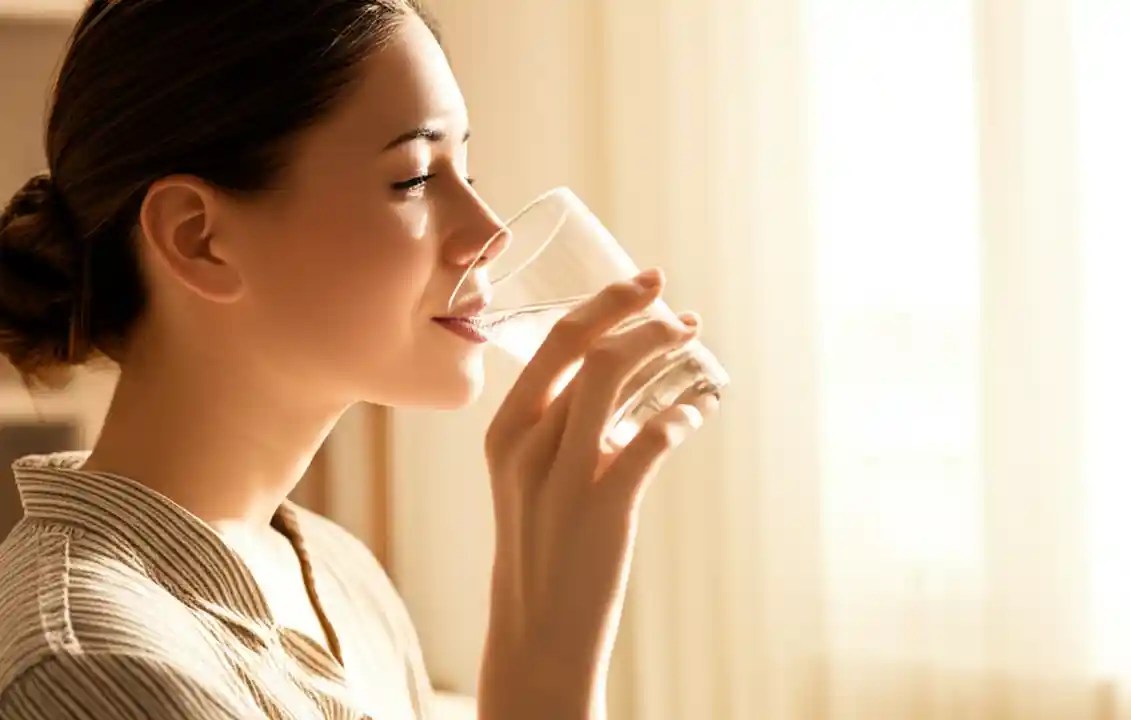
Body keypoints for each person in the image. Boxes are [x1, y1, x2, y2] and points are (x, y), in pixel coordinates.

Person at [0, 1, 719, 718]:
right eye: (413, 178)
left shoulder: (340, 577)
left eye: (467, 168)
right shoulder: (100, 668)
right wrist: (547, 652)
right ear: (199, 239)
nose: (490, 231)